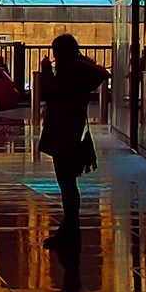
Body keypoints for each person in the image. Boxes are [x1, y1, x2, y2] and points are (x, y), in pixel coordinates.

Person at [34, 34, 108, 247]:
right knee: (68, 184)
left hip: (63, 132)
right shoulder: (80, 69)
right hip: (71, 130)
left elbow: (50, 92)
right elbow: (101, 73)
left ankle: (70, 231)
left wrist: (46, 70)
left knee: (66, 184)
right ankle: (69, 228)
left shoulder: (71, 71)